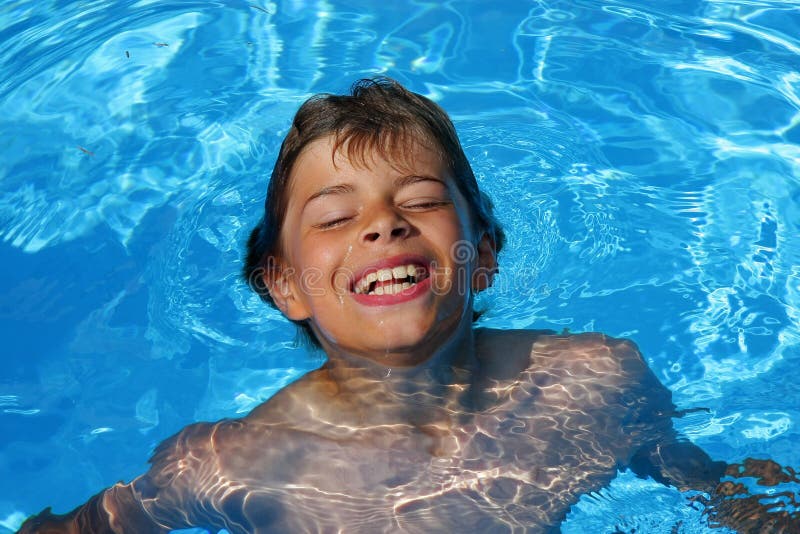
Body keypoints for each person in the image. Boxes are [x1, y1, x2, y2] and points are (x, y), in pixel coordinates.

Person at [18, 78, 799, 533]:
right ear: (284, 285)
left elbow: (705, 485)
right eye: (333, 218)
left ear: (482, 253)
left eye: (419, 202)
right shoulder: (233, 460)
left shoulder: (589, 379)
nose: (382, 223)